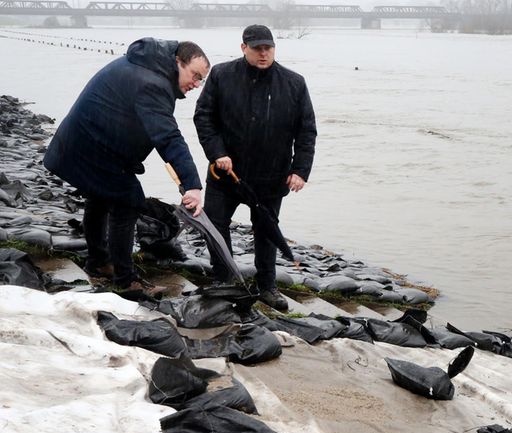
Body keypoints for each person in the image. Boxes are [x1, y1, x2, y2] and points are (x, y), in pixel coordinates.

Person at [44, 38, 208, 295]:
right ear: (178, 62)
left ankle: (99, 262)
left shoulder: (147, 66)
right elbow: (168, 137)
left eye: (202, 80)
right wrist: (193, 185)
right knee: (129, 201)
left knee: (100, 198)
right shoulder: (153, 83)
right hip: (92, 146)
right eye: (195, 75)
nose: (196, 84)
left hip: (86, 142)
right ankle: (125, 280)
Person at [194, 24, 317, 312]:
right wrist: (217, 152)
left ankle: (267, 286)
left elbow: (307, 131)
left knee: (265, 230)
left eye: (268, 48)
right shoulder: (222, 75)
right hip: (226, 174)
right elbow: (204, 118)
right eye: (257, 48)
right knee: (215, 225)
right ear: (243, 48)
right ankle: (223, 277)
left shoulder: (294, 83)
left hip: (271, 176)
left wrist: (300, 170)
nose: (263, 53)